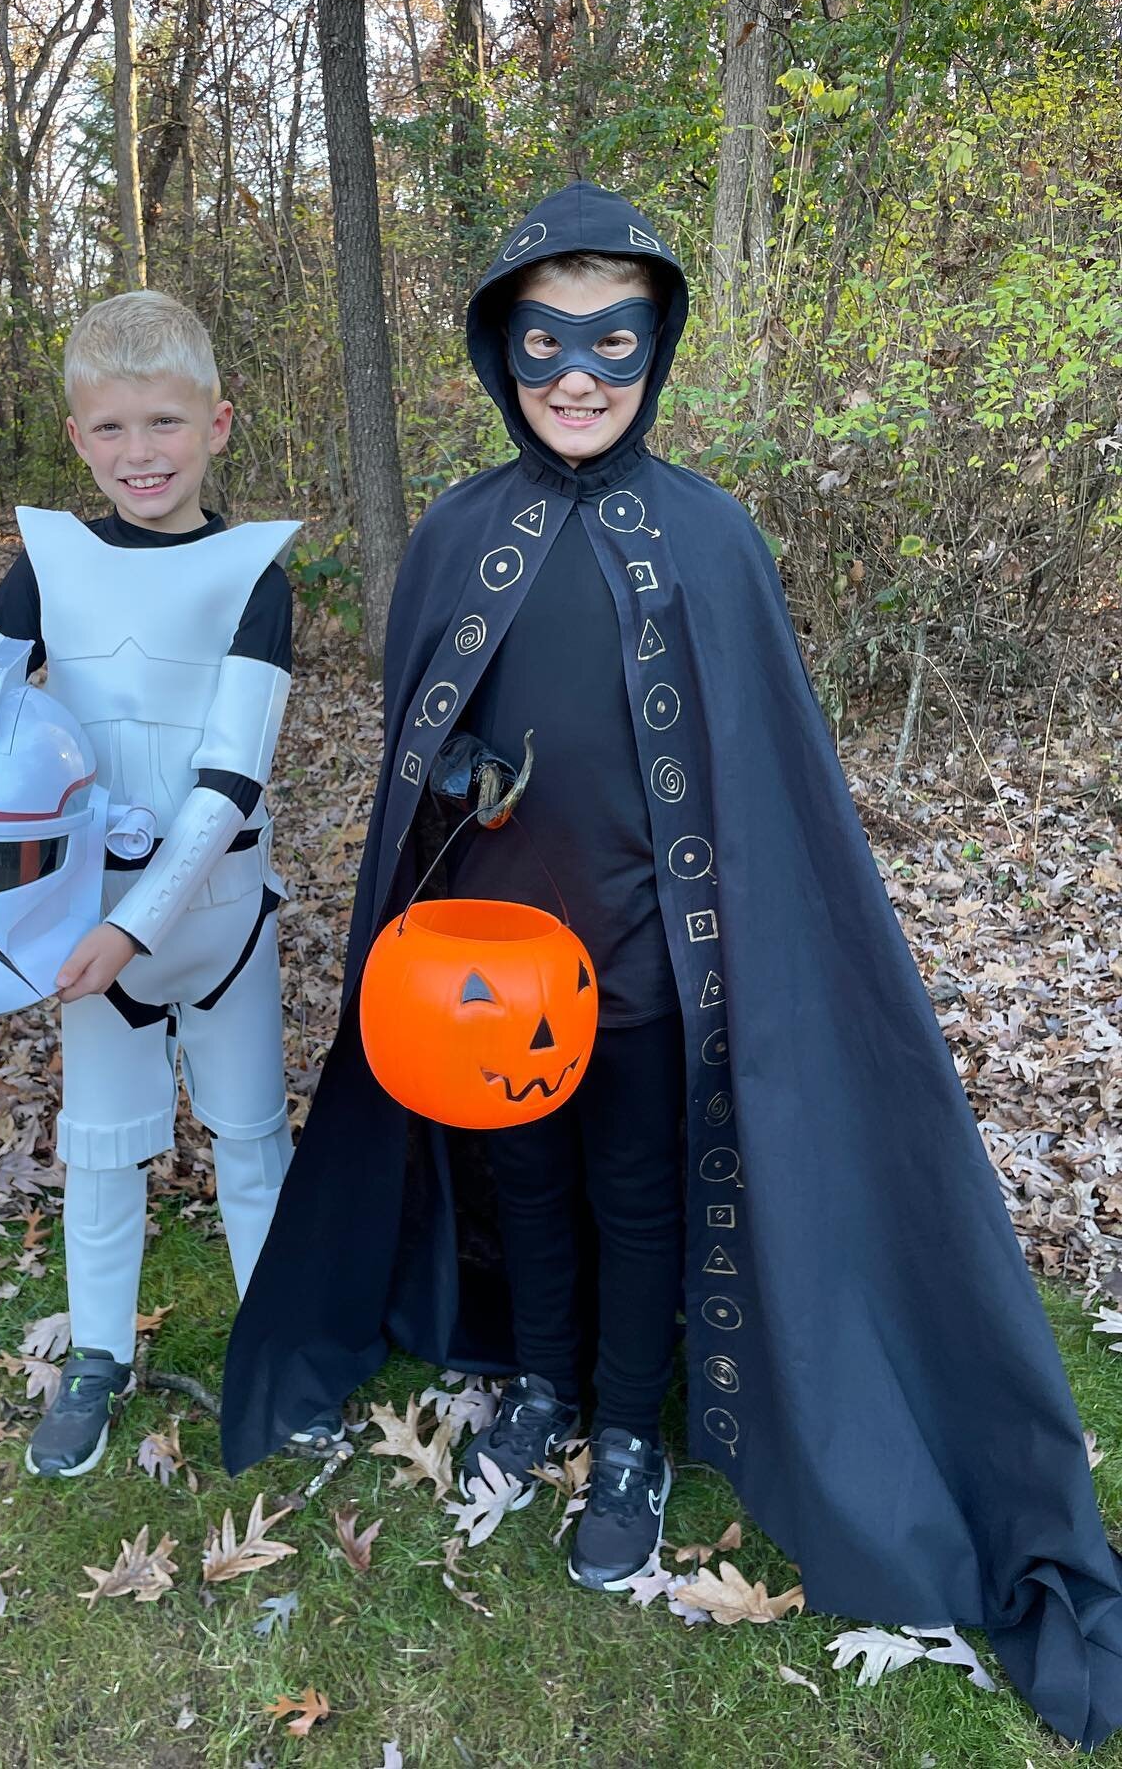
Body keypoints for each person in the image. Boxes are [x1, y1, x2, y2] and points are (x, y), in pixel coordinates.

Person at [220, 183, 1122, 1748]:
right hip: (490, 981)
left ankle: (630, 1434)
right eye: (547, 342)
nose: (579, 375)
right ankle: (549, 1389)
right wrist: (446, 791)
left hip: (655, 972)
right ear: (503, 352)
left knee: (637, 1189)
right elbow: (416, 736)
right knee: (522, 1190)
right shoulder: (456, 530)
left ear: (658, 349)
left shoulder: (710, 536)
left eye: (612, 342)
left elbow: (764, 777)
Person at [0, 290, 300, 1479]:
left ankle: (277, 1341)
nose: (138, 455)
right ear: (76, 433)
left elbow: (230, 780)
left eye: (163, 424)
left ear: (218, 423)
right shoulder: (52, 563)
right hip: (87, 924)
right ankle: (97, 1353)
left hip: (214, 919)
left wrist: (140, 932)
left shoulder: (255, 575)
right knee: (100, 1144)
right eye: (110, 430)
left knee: (250, 1133)